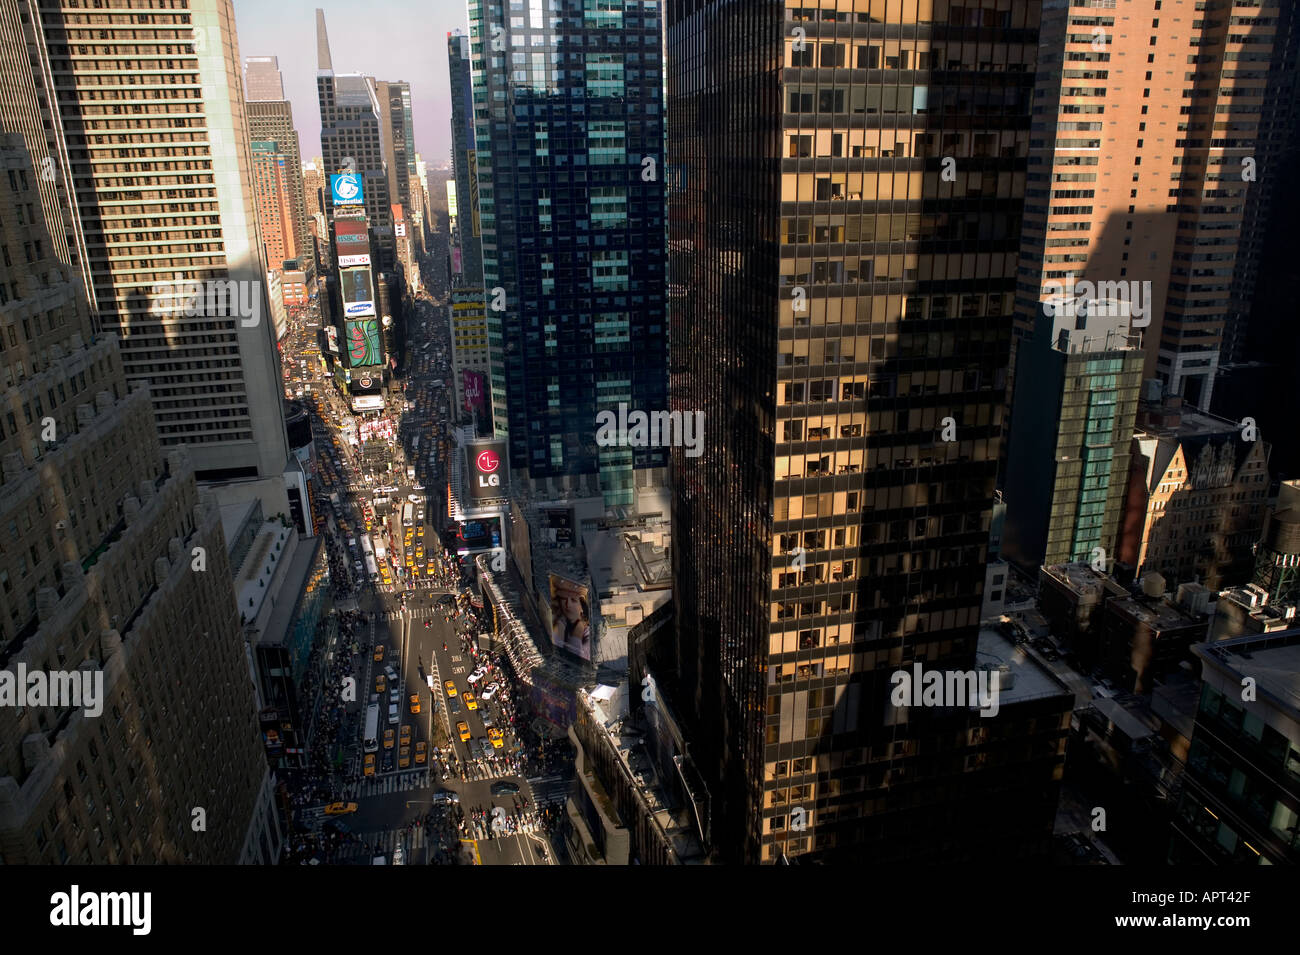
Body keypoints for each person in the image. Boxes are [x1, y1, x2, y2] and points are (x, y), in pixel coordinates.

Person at [550, 579, 591, 658]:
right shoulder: (559, 623)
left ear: (582, 606)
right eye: (563, 599)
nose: (568, 604)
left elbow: (576, 660)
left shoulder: (589, 635)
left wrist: (578, 631)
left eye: (573, 600)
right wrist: (560, 626)